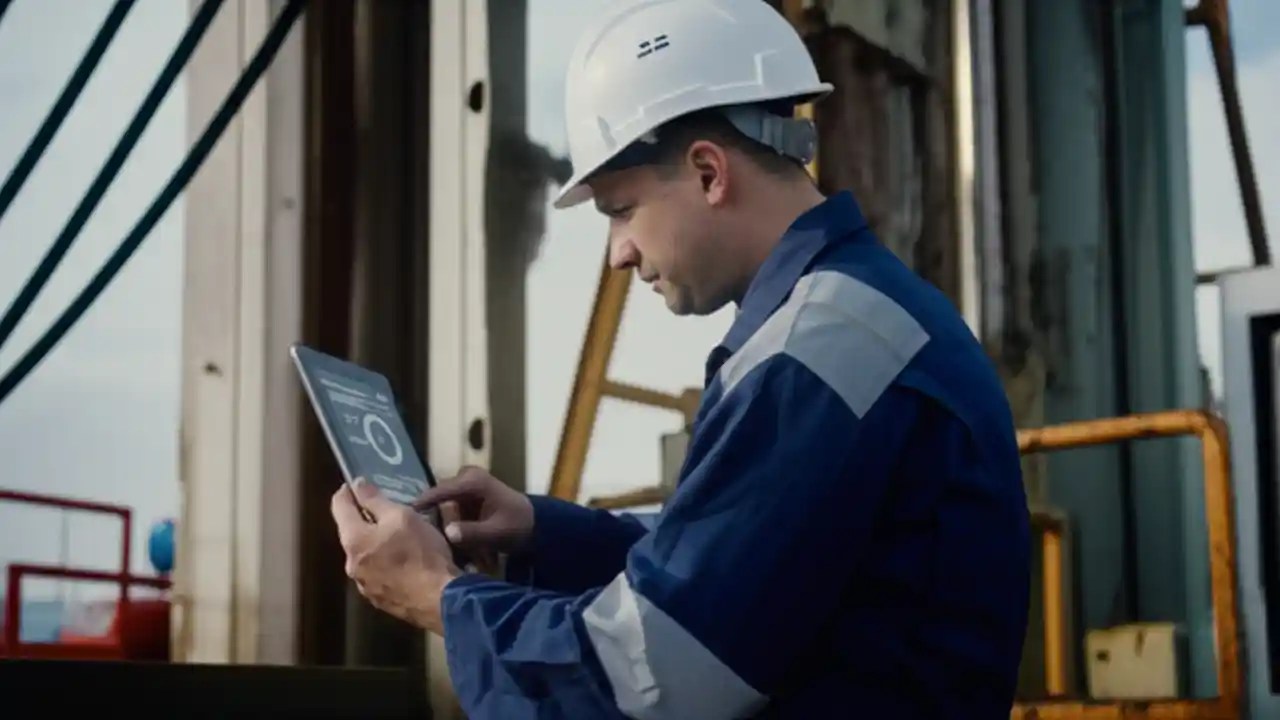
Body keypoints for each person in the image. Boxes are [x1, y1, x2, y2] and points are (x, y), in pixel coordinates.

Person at [329, 0, 1031, 717]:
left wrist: (439, 597)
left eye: (620, 210)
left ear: (707, 172)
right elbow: (736, 562)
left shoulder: (815, 352)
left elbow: (653, 683)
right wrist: (542, 533)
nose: (618, 253)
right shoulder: (858, 313)